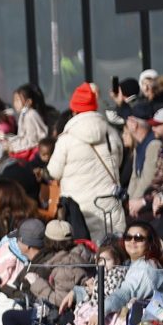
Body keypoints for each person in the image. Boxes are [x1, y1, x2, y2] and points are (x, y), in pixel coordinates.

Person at [49, 82, 125, 238]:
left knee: (85, 254)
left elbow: (53, 172)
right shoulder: (110, 133)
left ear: (74, 110)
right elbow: (118, 161)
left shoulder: (66, 139)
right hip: (108, 205)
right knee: (112, 254)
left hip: (80, 210)